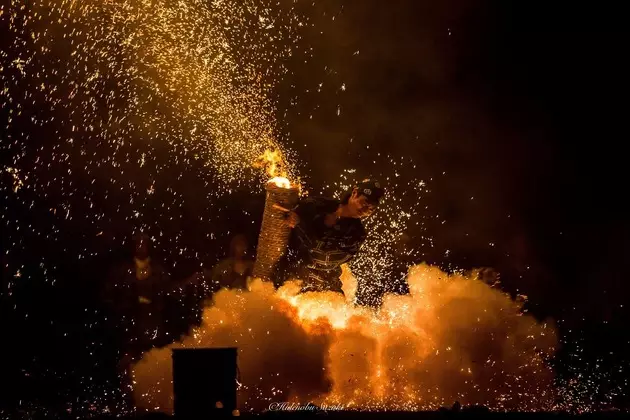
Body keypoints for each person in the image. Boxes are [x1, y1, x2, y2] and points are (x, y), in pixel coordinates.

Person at [278, 179, 384, 294]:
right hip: (291, 276)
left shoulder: (357, 234)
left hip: (324, 286)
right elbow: (291, 211)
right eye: (365, 202)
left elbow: (323, 258)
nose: (366, 209)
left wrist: (299, 225)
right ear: (354, 193)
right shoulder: (317, 204)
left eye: (371, 208)